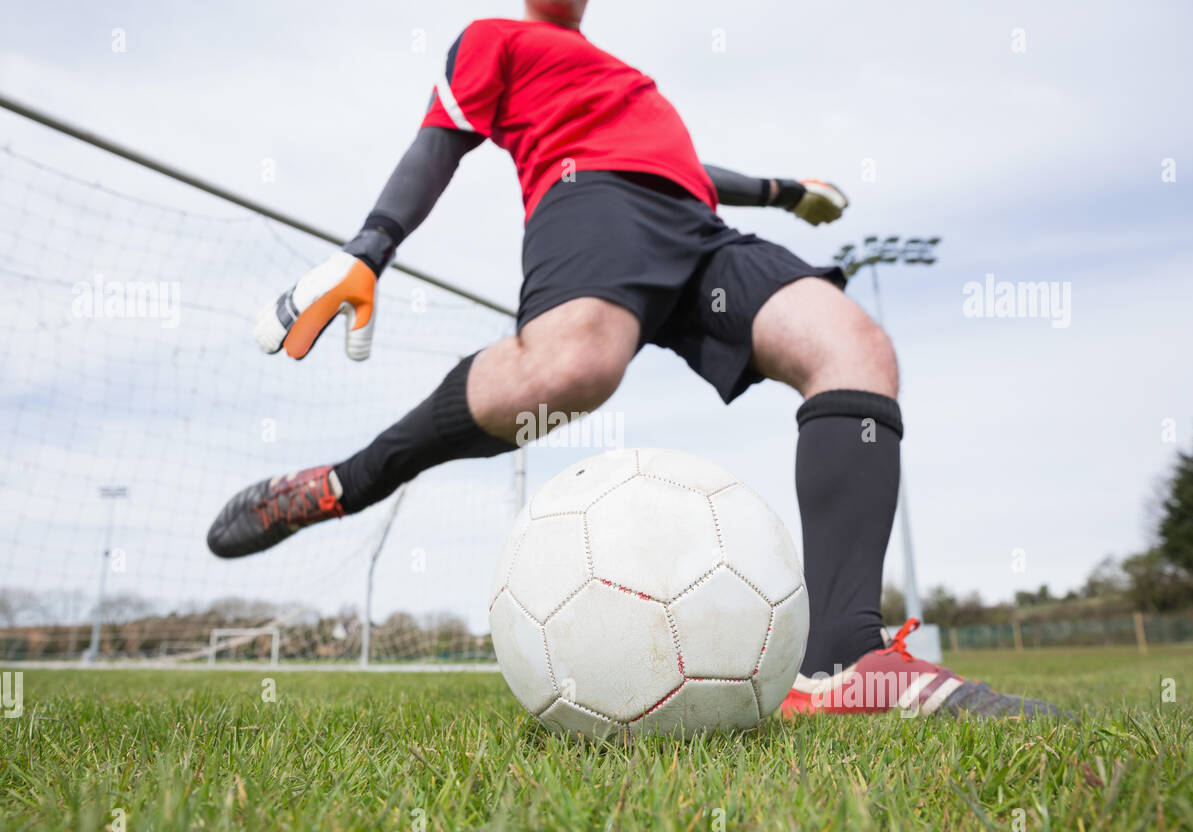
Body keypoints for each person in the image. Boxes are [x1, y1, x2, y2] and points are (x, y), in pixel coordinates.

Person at [208, 0, 1065, 719]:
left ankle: (845, 663)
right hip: (589, 205)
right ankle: (339, 483)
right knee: (572, 370)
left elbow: (688, 168)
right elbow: (438, 140)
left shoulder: (626, 75)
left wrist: (782, 191)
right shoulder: (496, 40)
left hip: (697, 231)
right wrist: (371, 246)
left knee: (852, 344)